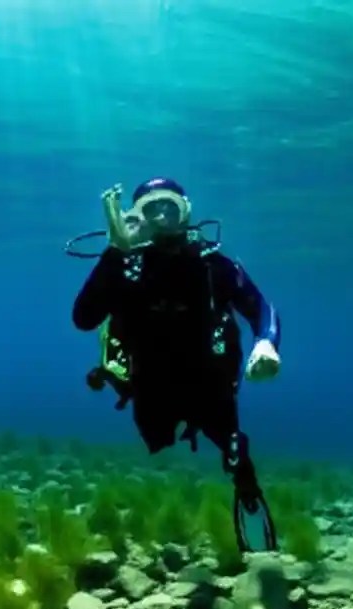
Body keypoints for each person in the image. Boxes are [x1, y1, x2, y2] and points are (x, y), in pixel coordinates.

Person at [72, 177, 283, 553]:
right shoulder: (124, 266)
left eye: (170, 207)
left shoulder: (211, 265)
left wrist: (266, 343)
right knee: (156, 436)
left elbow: (260, 306)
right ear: (135, 219)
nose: (162, 217)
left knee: (231, 445)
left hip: (209, 381)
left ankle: (245, 484)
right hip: (151, 384)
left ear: (186, 211)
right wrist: (114, 252)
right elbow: (84, 318)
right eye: (150, 210)